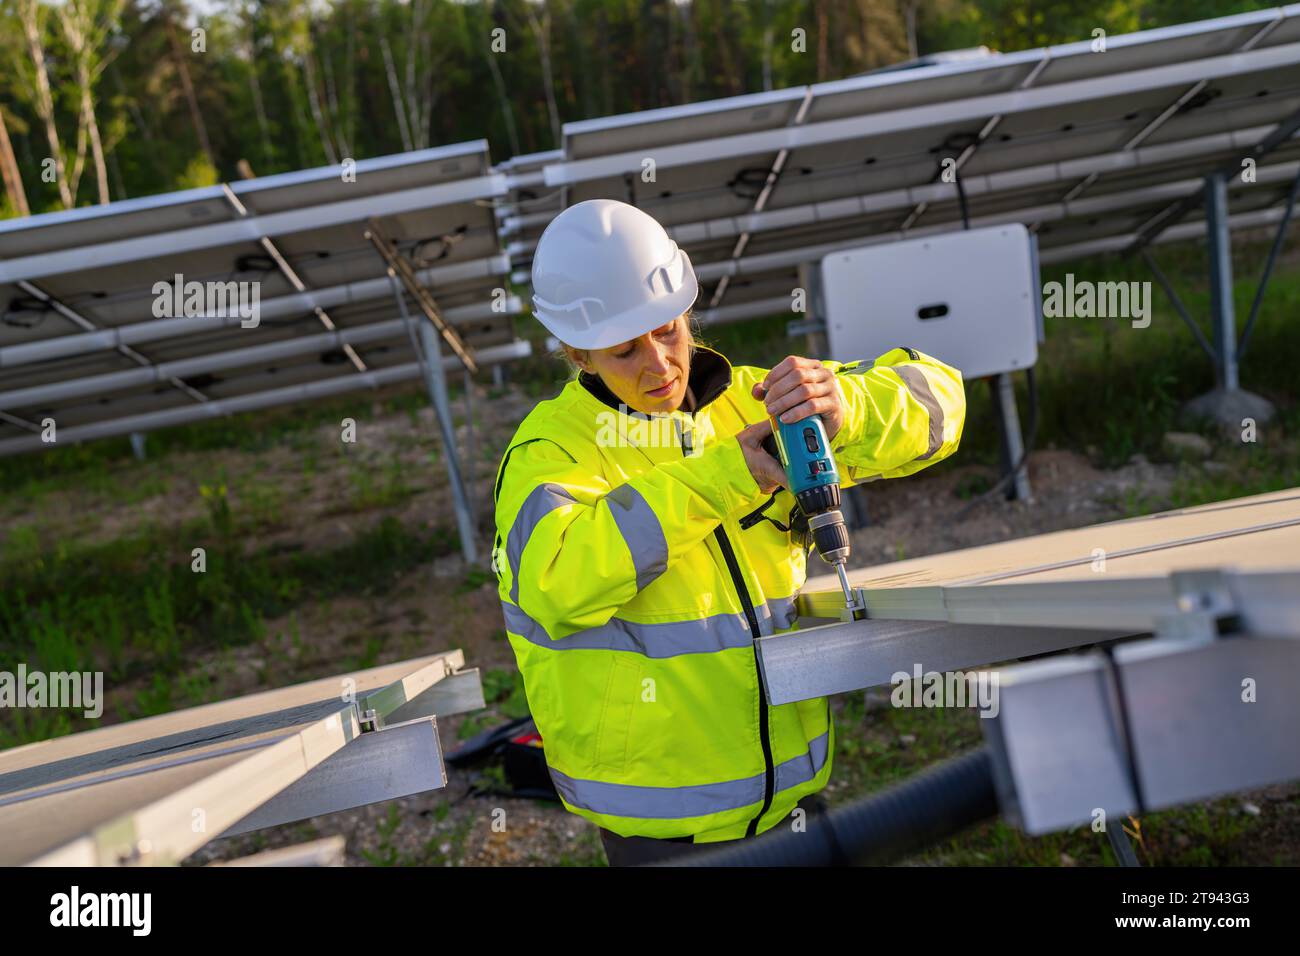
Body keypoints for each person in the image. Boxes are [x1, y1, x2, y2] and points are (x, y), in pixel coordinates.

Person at [491, 198, 966, 865]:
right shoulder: (550, 451)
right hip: (663, 828)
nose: (658, 363)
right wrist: (723, 477)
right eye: (625, 350)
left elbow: (943, 404)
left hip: (793, 796)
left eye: (667, 330)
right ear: (580, 353)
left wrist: (846, 406)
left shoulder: (755, 400)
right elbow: (560, 582)